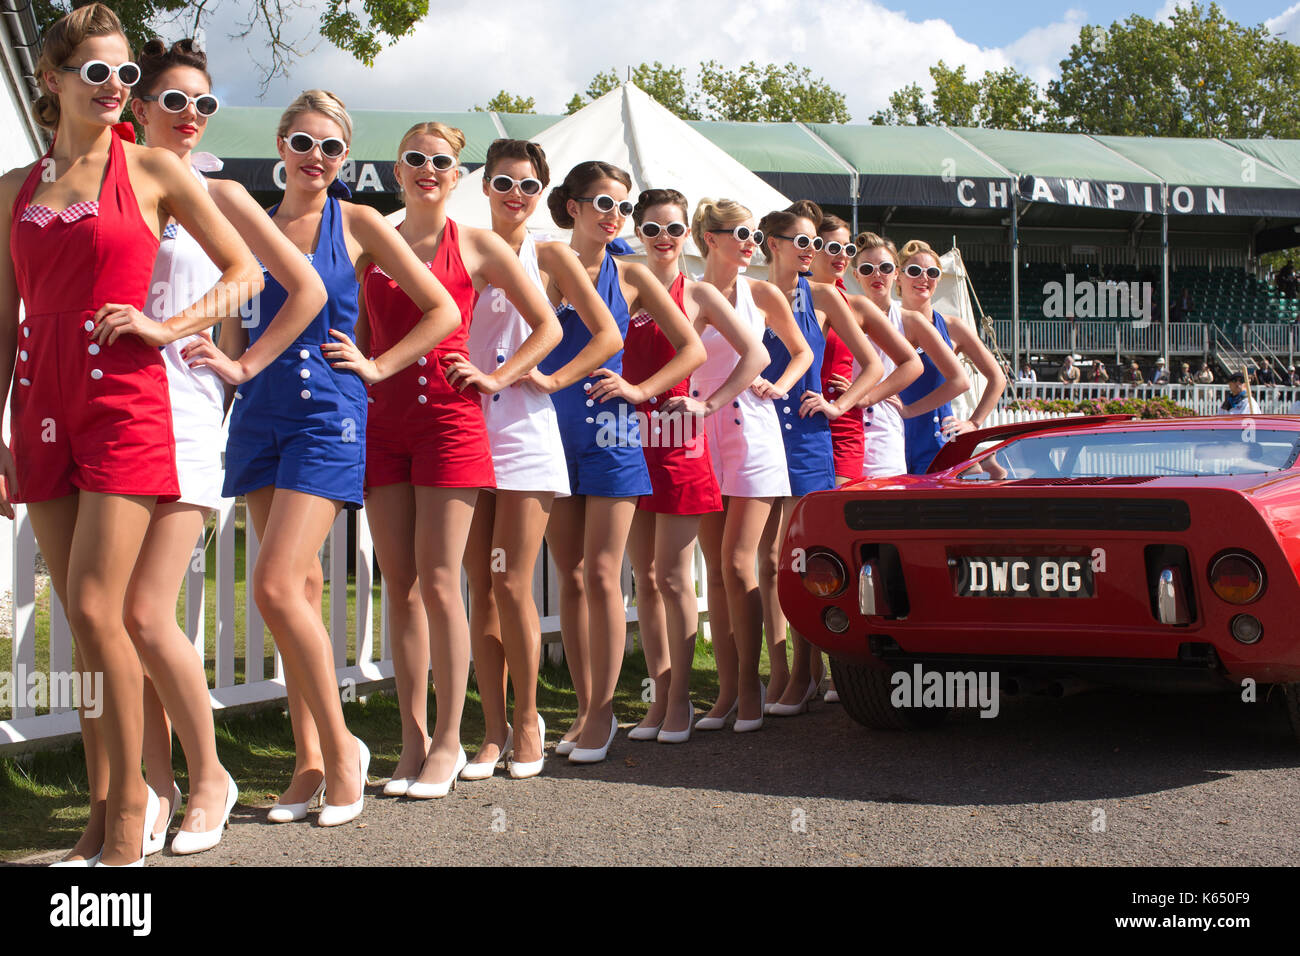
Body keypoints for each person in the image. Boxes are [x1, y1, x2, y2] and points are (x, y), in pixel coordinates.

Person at [1, 4, 263, 866]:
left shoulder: (152, 168)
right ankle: (98, 815)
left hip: (123, 397)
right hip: (42, 397)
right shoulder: (12, 189)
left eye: (125, 77)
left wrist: (167, 324)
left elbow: (246, 272)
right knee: (81, 632)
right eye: (98, 74)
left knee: (93, 605)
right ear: (52, 80)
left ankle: (129, 814)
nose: (116, 89)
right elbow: (4, 322)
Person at [189, 90, 461, 826]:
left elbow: (443, 310)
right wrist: (222, 376)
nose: (316, 159)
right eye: (304, 144)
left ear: (347, 157)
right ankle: (308, 762)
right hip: (257, 416)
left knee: (274, 583)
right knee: (298, 592)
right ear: (282, 146)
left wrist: (379, 366)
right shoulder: (247, 227)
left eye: (332, 148)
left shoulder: (362, 220)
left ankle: (345, 752)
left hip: (328, 416)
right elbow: (242, 323)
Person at [128, 37, 327, 854]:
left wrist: (237, 360)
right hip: (102, 412)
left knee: (146, 611)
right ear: (139, 106)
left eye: (204, 104)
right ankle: (149, 784)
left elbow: (303, 290)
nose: (190, 116)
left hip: (181, 411)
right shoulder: (105, 188)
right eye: (175, 100)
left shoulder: (220, 193)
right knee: (112, 619)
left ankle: (209, 775)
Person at [349, 124, 562, 796]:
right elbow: (362, 333)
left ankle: (449, 740)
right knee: (401, 586)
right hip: (385, 426)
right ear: (397, 167)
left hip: (450, 420)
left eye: (441, 161)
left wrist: (500, 376)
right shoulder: (372, 244)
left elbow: (549, 326)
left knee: (444, 582)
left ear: (457, 171)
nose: (427, 170)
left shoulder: (477, 244)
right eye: (414, 158)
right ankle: (410, 744)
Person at [539, 161, 697, 764]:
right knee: (571, 577)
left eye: (621, 207)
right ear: (572, 206)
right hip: (553, 432)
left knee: (607, 574)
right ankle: (584, 711)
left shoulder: (631, 275)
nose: (614, 216)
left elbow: (693, 348)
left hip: (613, 434)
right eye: (601, 203)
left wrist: (639, 389)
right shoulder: (543, 262)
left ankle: (603, 716)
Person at [451, 139, 591, 781]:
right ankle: (491, 729)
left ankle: (530, 716)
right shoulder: (463, 246)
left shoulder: (553, 255)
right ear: (485, 186)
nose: (516, 195)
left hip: (527, 431)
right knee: (479, 584)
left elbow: (605, 333)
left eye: (529, 186)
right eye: (505, 182)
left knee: (511, 580)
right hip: (464, 425)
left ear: (543, 194)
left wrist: (549, 380)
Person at [623, 188, 757, 744]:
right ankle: (659, 700)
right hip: (626, 439)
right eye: (652, 230)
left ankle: (680, 701)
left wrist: (708, 401)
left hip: (678, 438)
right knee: (645, 579)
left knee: (676, 577)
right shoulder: (625, 282)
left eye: (673, 229)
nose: (663, 240)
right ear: (639, 234)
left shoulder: (697, 291)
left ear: (688, 235)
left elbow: (757, 355)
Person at [754, 201, 882, 719]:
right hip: (758, 434)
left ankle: (811, 669)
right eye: (802, 242)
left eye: (816, 243)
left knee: (801, 561)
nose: (811, 252)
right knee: (763, 562)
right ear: (773, 244)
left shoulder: (826, 295)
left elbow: (875, 364)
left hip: (808, 436)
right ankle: (781, 669)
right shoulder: (748, 293)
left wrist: (841, 403)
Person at [690, 197, 805, 733]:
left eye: (754, 234)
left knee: (741, 561)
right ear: (710, 238)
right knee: (716, 566)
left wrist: (777, 387)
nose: (750, 243)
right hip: (699, 433)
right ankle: (729, 691)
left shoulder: (761, 293)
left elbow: (801, 352)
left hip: (754, 433)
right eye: (740, 232)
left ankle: (753, 688)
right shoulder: (691, 291)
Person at [897, 240, 1006, 475]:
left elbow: (998, 377)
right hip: (892, 437)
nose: (923, 278)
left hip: (938, 442)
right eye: (914, 271)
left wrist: (974, 423)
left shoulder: (953, 327)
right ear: (898, 276)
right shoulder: (883, 323)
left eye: (932, 272)